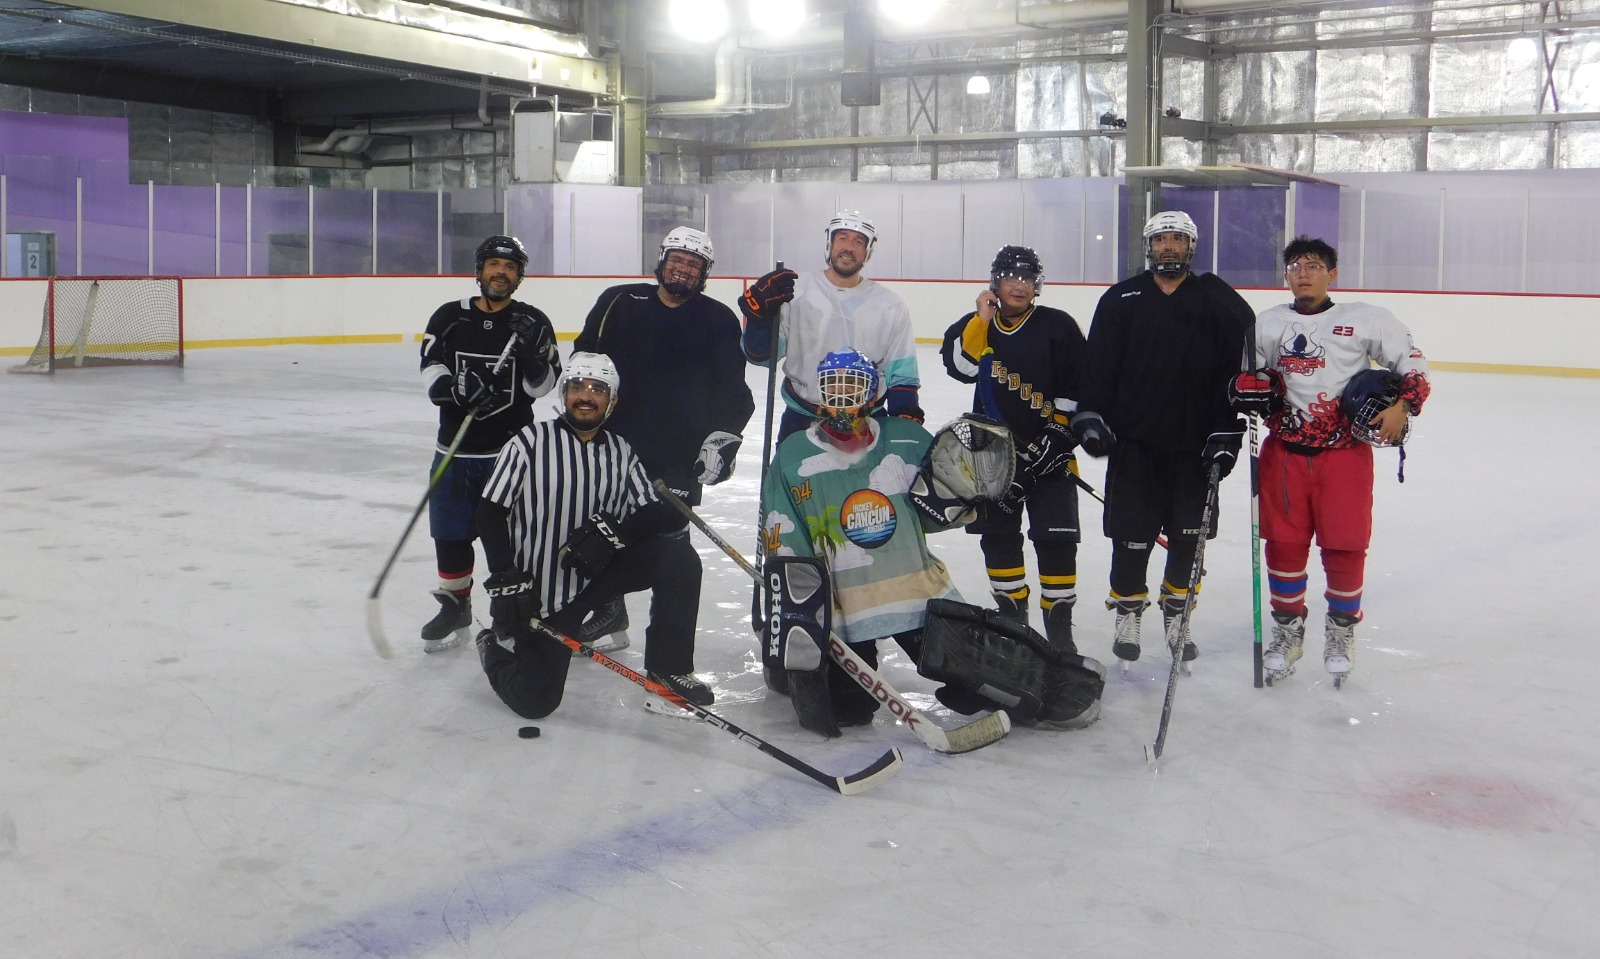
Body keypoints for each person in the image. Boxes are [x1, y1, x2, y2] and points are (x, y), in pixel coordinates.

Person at [760, 350, 1103, 735]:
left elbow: (932, 514)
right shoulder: (792, 455)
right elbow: (785, 540)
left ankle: (1058, 686)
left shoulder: (905, 438)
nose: (842, 394)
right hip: (843, 606)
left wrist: (970, 494)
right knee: (848, 711)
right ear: (818, 392)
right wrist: (802, 618)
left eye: (852, 384)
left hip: (912, 589)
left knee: (981, 684)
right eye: (833, 385)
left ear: (873, 392)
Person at [1229, 236, 1431, 685]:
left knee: (1345, 543)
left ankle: (1340, 629)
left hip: (1344, 457)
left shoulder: (1366, 319)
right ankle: (1288, 631)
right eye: (1296, 265)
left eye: (1315, 265)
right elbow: (1244, 375)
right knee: (1282, 545)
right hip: (1283, 453)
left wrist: (1403, 406)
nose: (1304, 271)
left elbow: (1413, 363)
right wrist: (1247, 388)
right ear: (1286, 275)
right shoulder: (1267, 323)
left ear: (1331, 274)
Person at [474, 352, 713, 719]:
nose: (586, 396)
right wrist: (506, 578)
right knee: (535, 701)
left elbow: (650, 510)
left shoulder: (621, 451)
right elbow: (490, 511)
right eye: (577, 387)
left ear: (611, 400)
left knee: (678, 559)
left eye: (598, 389)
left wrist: (617, 531)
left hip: (595, 579)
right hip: (542, 595)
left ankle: (668, 669)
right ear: (563, 394)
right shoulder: (530, 442)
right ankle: (492, 644)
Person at [1071, 210, 1254, 667]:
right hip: (1135, 444)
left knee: (1189, 540)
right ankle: (1129, 611)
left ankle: (1178, 614)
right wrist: (1091, 414)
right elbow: (1099, 366)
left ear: (1191, 247)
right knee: (1130, 538)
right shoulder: (1122, 298)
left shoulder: (1217, 299)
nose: (1168, 246)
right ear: (1148, 247)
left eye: (1177, 239)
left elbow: (1246, 363)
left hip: (1198, 446)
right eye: (1160, 239)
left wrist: (1232, 428)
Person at [572, 227, 755, 649]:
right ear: (661, 259)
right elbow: (585, 360)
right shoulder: (619, 301)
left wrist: (722, 442)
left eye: (694, 265)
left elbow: (734, 393)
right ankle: (609, 612)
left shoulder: (718, 319)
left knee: (670, 552)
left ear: (704, 273)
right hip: (611, 449)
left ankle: (667, 653)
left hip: (678, 456)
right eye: (678, 260)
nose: (684, 269)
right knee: (600, 534)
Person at [940, 244, 1089, 655]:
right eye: (1010, 277)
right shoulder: (978, 324)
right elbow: (962, 367)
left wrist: (1059, 436)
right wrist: (981, 319)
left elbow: (1079, 383)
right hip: (992, 460)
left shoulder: (1057, 326)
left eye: (1026, 278)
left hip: (1052, 458)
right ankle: (1013, 630)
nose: (1018, 285)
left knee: (1057, 541)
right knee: (999, 538)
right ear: (995, 283)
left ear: (1037, 284)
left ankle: (1060, 638)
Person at [417, 234, 560, 652]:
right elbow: (430, 365)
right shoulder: (449, 317)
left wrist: (532, 355)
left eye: (511, 267)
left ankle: (509, 609)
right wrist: (454, 392)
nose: (502, 272)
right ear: (479, 270)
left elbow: (544, 387)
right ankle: (456, 605)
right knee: (450, 533)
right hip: (455, 452)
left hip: (510, 454)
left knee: (512, 538)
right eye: (494, 264)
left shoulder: (533, 321)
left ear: (519, 277)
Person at [739, 210, 923, 445]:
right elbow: (761, 356)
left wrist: (905, 412)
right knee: (793, 483)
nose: (849, 247)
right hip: (803, 419)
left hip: (865, 422)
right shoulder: (794, 291)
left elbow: (902, 374)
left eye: (858, 241)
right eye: (843, 238)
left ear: (868, 252)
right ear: (830, 243)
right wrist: (760, 321)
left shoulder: (890, 305)